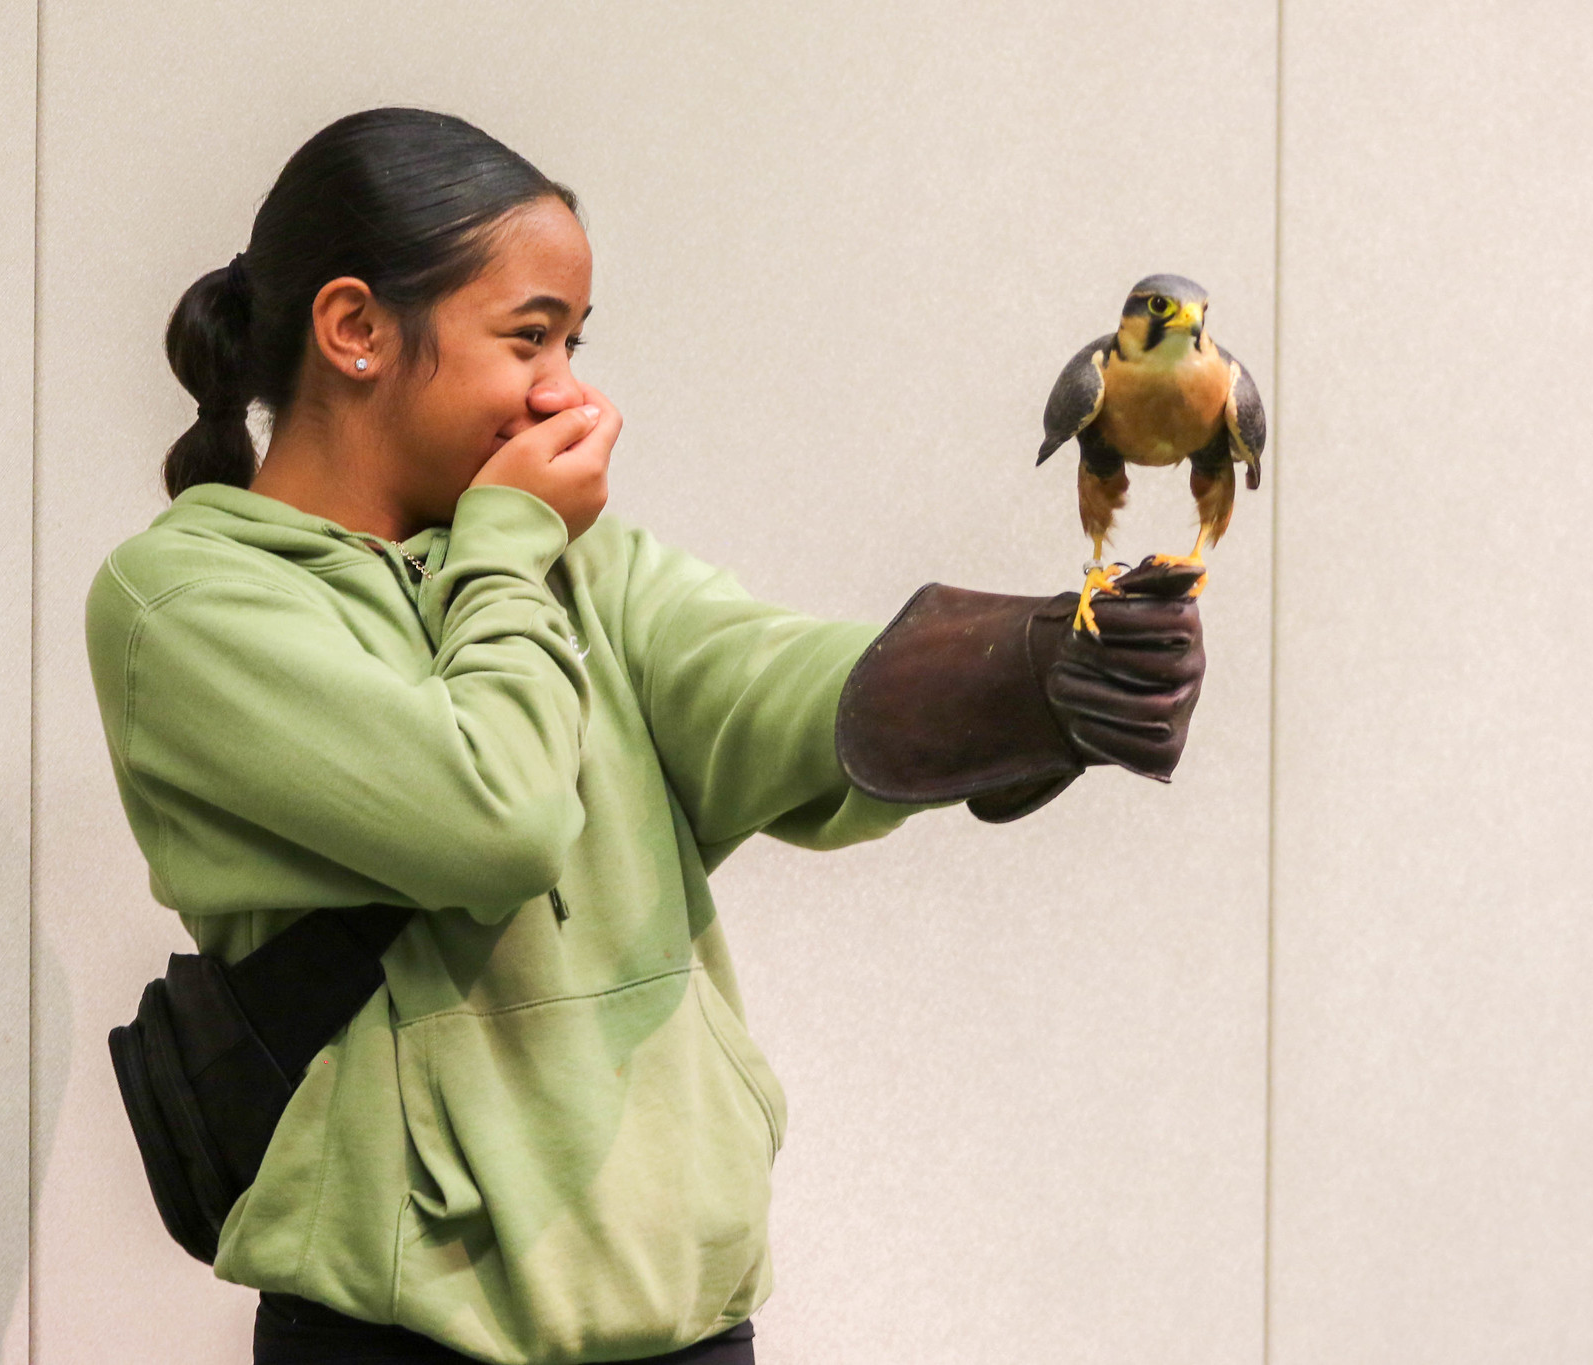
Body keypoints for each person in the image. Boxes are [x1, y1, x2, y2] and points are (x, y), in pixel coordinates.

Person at [85, 107, 1204, 1365]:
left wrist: (1027, 674)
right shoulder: (186, 603)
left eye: (573, 337)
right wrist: (508, 548)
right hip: (398, 1341)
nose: (571, 390)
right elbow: (489, 820)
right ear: (352, 331)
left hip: (690, 1326)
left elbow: (755, 685)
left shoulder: (572, 562)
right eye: (529, 336)